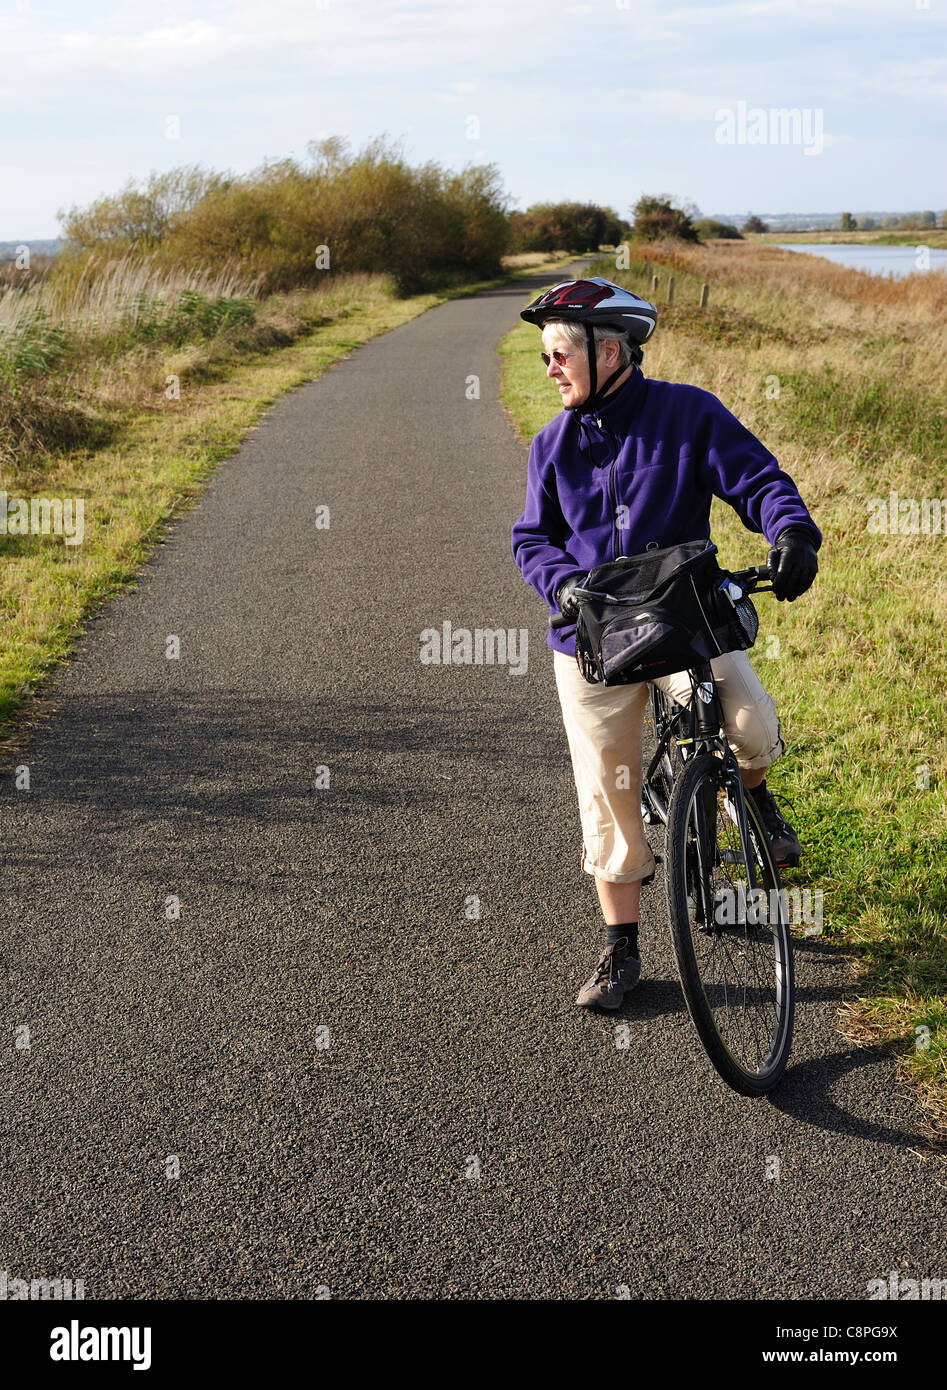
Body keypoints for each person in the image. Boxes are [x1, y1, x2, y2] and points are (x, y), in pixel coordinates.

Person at [511, 276, 821, 1011]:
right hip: (590, 636)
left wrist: (792, 535)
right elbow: (531, 538)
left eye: (560, 354)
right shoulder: (552, 445)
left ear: (609, 352)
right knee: (606, 788)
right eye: (545, 356)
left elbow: (758, 481)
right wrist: (563, 585)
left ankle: (755, 801)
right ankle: (621, 947)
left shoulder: (688, 414)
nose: (550, 369)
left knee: (750, 725)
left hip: (685, 618)